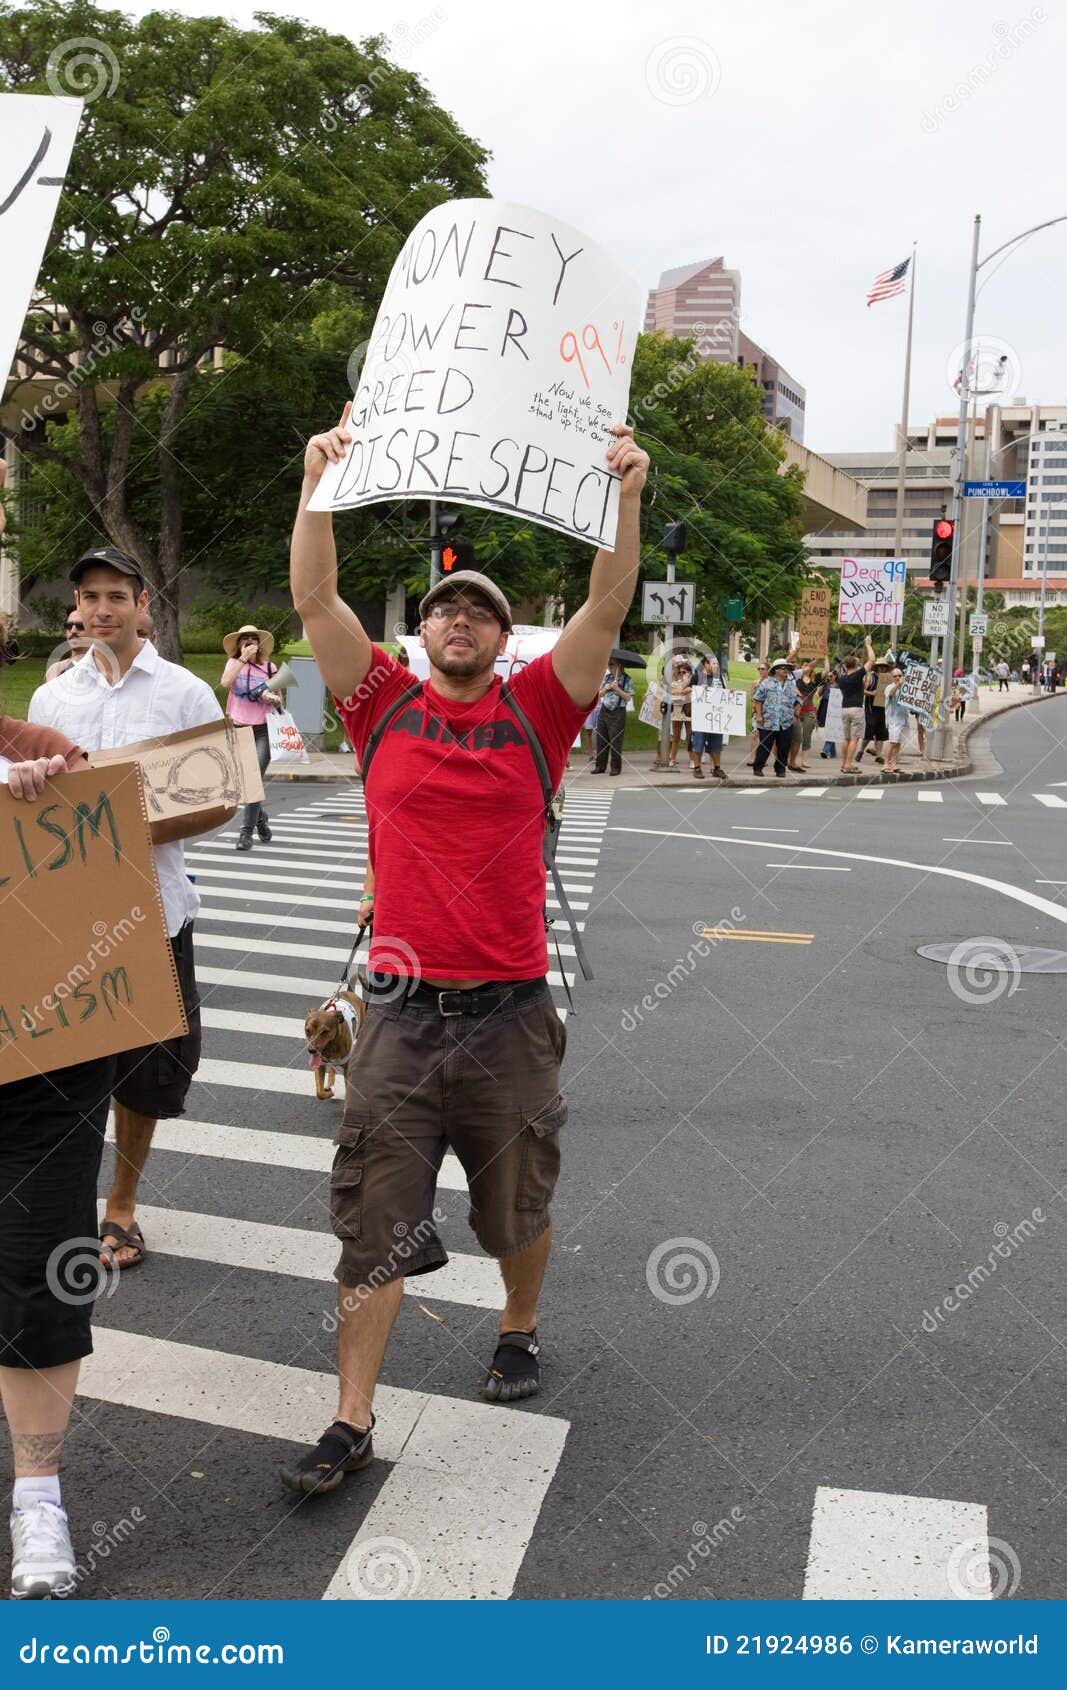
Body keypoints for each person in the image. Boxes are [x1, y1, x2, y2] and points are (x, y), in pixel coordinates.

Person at [282, 403, 649, 1495]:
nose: (457, 620)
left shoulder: (541, 709)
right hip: (396, 1017)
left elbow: (608, 598)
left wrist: (623, 495)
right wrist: (318, 484)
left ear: (504, 639)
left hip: (509, 1016)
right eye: (444, 606)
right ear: (423, 631)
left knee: (512, 1211)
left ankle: (517, 1323)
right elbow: (313, 594)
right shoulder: (376, 704)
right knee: (373, 1224)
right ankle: (351, 1416)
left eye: (478, 613)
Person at [29, 546, 222, 1270]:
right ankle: (64, 1205)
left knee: (144, 1074)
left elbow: (219, 799)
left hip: (154, 909)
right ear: (76, 608)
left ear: (144, 604)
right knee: (63, 1070)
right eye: (89, 597)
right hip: (68, 914)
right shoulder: (53, 698)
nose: (101, 610)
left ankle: (123, 1207)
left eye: (116, 596)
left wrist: (121, 826)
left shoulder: (182, 692)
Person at [0, 696, 118, 1598]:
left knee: (40, 1276)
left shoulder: (36, 748)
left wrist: (55, 789)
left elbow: (123, 821)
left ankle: (38, 1493)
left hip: (44, 1060)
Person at [220, 623, 284, 850]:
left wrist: (271, 699)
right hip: (239, 729)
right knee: (246, 784)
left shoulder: (270, 667)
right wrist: (242, 660)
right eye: (244, 639)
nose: (249, 641)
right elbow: (225, 683)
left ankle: (245, 834)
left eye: (253, 639)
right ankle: (261, 820)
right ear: (238, 645)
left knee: (254, 780)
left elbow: (280, 700)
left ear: (259, 644)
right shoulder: (233, 663)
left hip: (263, 731)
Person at [751, 656, 798, 777]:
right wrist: (759, 716)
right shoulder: (766, 683)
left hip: (786, 723)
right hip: (768, 721)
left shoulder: (792, 685)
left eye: (787, 668)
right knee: (765, 746)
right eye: (783, 668)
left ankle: (781, 769)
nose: (786, 670)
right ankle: (758, 767)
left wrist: (795, 715)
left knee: (784, 747)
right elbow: (758, 700)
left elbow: (798, 701)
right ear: (776, 670)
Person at [836, 637, 876, 774]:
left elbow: (856, 689)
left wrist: (864, 683)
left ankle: (843, 763)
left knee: (846, 738)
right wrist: (868, 645)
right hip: (856, 709)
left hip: (845, 708)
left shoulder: (842, 679)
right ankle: (848, 765)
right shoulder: (857, 675)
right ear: (855, 665)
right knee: (854, 739)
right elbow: (872, 660)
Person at [689, 651, 728, 780]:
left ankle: (717, 768)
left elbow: (723, 692)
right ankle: (697, 767)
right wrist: (700, 688)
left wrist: (730, 693)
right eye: (713, 663)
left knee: (717, 743)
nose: (716, 666)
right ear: (706, 664)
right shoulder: (697, 676)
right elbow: (687, 691)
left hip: (716, 716)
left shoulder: (720, 677)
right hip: (701, 716)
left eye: (717, 663)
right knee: (699, 742)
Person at [592, 655, 632, 776]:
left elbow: (628, 698)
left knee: (615, 741)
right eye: (609, 665)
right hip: (604, 710)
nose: (609, 667)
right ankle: (600, 766)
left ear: (619, 666)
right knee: (601, 739)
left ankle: (615, 767)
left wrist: (618, 689)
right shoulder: (608, 678)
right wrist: (605, 688)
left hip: (618, 712)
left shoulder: (627, 679)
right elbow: (599, 695)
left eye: (612, 664)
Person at [856, 644, 890, 765]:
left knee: (881, 733)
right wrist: (872, 693)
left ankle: (879, 755)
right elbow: (861, 690)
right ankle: (860, 751)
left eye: (884, 667)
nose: (882, 668)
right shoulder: (871, 677)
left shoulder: (888, 679)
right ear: (877, 667)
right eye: (880, 666)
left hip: (883, 709)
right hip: (871, 709)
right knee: (869, 731)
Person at [788, 655, 824, 772]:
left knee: (801, 737)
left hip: (805, 711)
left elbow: (816, 669)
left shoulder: (813, 679)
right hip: (791, 711)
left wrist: (820, 658)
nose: (806, 667)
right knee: (786, 738)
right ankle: (784, 761)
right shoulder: (794, 677)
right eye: (804, 665)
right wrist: (795, 651)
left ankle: (796, 761)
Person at [44, 605, 92, 681]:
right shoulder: (54, 671)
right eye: (69, 626)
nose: (73, 631)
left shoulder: (104, 671)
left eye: (80, 626)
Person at [665, 656, 692, 769]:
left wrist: (687, 688)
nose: (681, 674)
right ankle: (673, 758)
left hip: (688, 712)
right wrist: (682, 690)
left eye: (684, 672)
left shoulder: (693, 684)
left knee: (690, 737)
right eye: (679, 672)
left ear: (689, 673)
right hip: (676, 712)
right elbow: (672, 693)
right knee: (675, 737)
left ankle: (693, 759)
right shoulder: (675, 683)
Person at [882, 667, 908, 774]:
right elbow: (891, 695)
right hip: (893, 719)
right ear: (892, 677)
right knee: (892, 742)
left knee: (898, 743)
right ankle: (885, 764)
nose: (897, 677)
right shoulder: (890, 687)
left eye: (900, 675)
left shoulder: (906, 688)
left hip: (903, 719)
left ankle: (893, 763)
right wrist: (898, 685)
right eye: (895, 676)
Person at [744, 661, 770, 765]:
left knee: (767, 736)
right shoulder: (755, 682)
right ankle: (752, 758)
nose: (760, 671)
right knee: (755, 734)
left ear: (768, 670)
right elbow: (752, 697)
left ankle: (763, 759)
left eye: (763, 669)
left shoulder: (772, 682)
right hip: (756, 712)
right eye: (759, 669)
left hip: (768, 712)